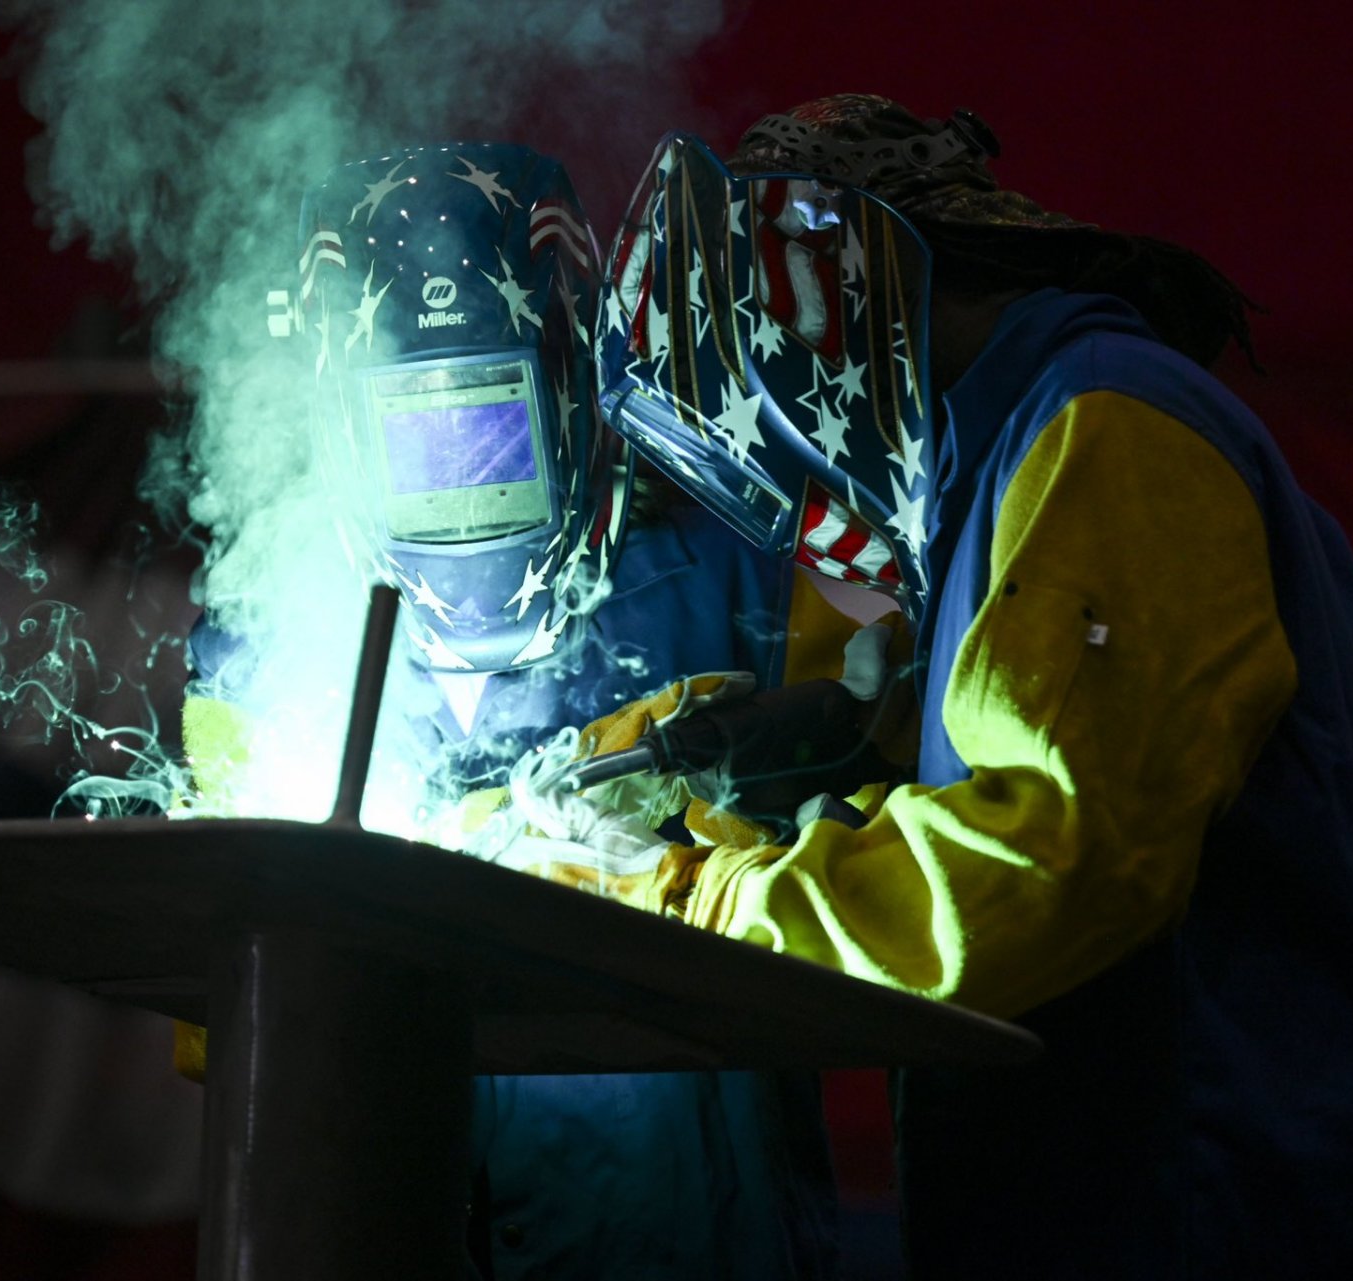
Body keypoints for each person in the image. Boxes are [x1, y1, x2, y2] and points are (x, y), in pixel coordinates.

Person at [543, 94, 1353, 1278]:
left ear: (847, 289)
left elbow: (1045, 855)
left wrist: (698, 903)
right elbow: (1084, 753)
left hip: (1216, 1217)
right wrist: (831, 745)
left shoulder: (1108, 430)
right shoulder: (1031, 449)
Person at [178, 142, 844, 1279]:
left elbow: (878, 907)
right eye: (415, 431)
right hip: (384, 1218)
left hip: (689, 1242)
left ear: (576, 368)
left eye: (492, 417)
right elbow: (222, 1022)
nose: (459, 480)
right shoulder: (261, 639)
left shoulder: (757, 582)